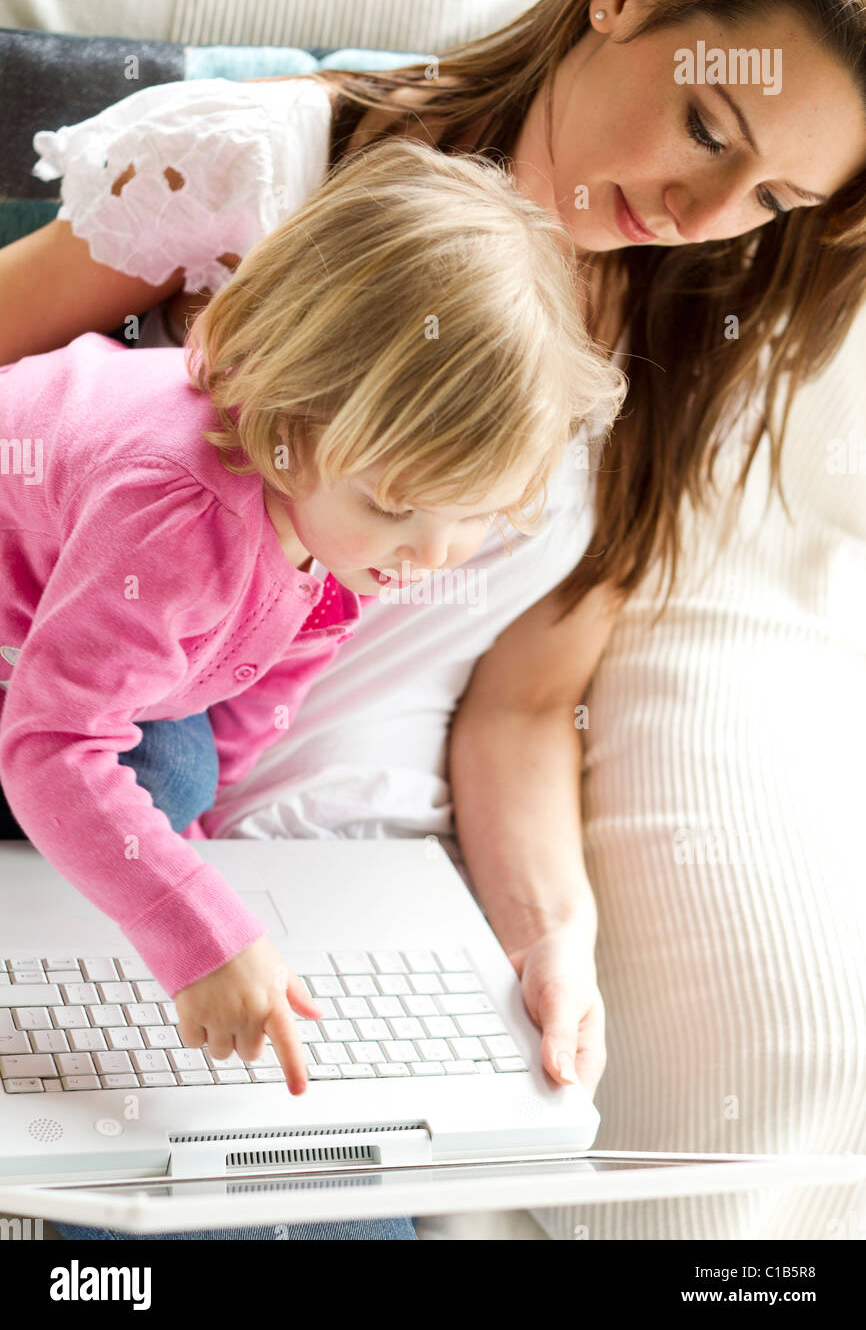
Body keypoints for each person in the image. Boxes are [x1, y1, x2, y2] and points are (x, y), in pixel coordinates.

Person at [2, 0, 865, 1240]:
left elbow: (520, 710)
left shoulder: (668, 366)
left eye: (771, 197)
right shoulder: (261, 168)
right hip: (108, 765)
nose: (702, 211)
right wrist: (190, 889)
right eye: (705, 122)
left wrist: (547, 937)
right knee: (164, 791)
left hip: (340, 866)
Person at [0, 137, 624, 1241]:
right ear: (286, 430)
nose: (428, 559)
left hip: (89, 647)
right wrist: (195, 930)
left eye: (470, 517)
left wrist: (213, 859)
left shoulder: (352, 527)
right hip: (29, 674)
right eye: (398, 511)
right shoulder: (175, 516)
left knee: (185, 768)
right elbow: (51, 745)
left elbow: (266, 665)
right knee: (154, 773)